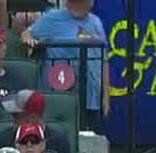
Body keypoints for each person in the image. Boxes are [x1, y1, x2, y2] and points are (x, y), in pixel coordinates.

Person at [24, 0, 109, 129]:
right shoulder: (52, 18)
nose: (77, 5)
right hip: (61, 96)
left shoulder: (96, 22)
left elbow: (104, 60)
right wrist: (28, 39)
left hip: (91, 97)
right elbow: (28, 33)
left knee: (91, 139)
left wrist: (106, 97)